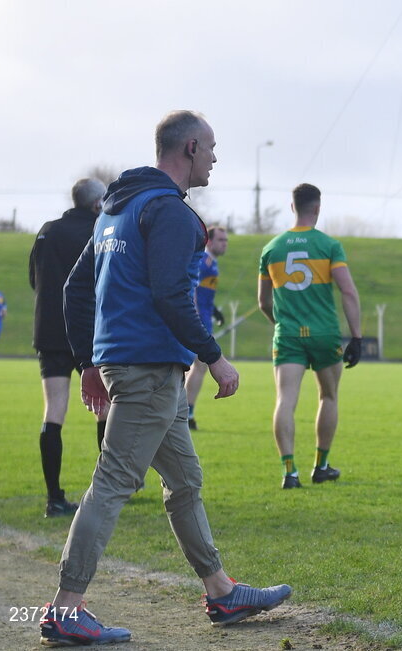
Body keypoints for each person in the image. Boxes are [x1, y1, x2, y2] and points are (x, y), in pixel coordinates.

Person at [42, 110, 291, 647]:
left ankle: (221, 591)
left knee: (185, 481)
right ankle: (65, 609)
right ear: (192, 148)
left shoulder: (115, 211)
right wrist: (216, 356)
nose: (217, 158)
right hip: (152, 370)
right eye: (214, 148)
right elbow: (170, 296)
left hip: (135, 368)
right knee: (112, 483)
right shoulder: (173, 215)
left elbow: (73, 290)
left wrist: (89, 363)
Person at [258, 183, 363, 489]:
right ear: (317, 208)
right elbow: (348, 291)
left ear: (292, 207)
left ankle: (289, 471)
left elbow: (263, 302)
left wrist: (280, 323)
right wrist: (356, 337)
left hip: (288, 334)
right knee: (328, 396)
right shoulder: (329, 246)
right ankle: (321, 465)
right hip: (324, 334)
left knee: (285, 400)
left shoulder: (272, 249)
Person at [29, 177, 109, 518]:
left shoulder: (48, 230)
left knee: (54, 411)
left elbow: (34, 278)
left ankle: (54, 498)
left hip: (48, 330)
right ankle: (109, 491)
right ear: (95, 205)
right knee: (104, 406)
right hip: (87, 331)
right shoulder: (99, 229)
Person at [184, 225, 229, 431]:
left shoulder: (213, 263)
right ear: (209, 241)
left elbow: (204, 294)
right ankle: (187, 412)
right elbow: (190, 288)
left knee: (192, 368)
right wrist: (195, 320)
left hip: (203, 319)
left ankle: (183, 411)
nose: (224, 243)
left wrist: (215, 311)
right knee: (199, 367)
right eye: (221, 240)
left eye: (225, 240)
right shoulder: (203, 261)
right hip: (197, 322)